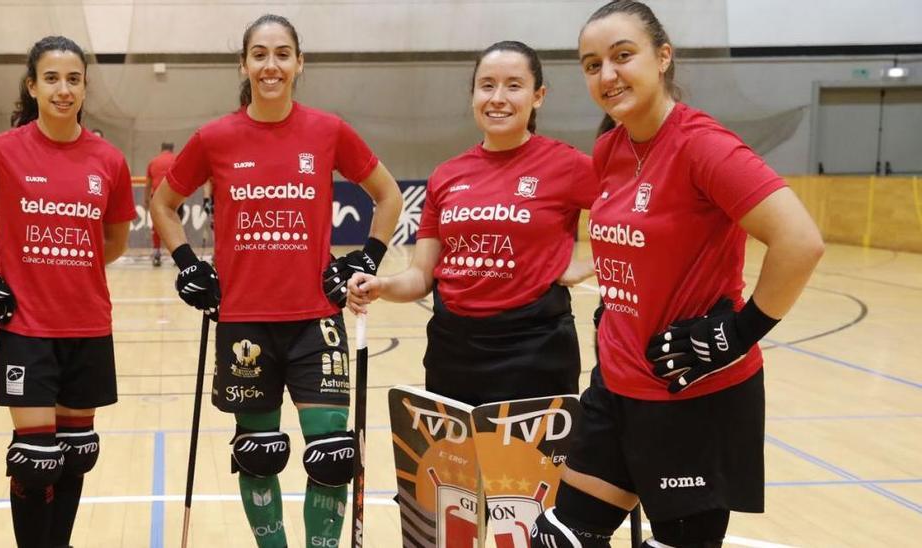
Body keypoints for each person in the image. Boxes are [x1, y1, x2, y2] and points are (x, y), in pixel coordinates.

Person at [530, 2, 825, 547]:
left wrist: (739, 333)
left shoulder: (703, 146)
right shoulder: (610, 149)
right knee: (559, 537)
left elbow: (800, 241)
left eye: (623, 56)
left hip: (693, 394)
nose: (608, 75)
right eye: (592, 64)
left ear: (663, 57)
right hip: (616, 385)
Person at [150, 14, 403, 548]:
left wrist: (367, 259)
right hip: (244, 323)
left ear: (299, 63)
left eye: (283, 53)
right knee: (258, 453)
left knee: (333, 457)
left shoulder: (328, 130)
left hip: (316, 319)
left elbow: (388, 195)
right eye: (260, 54)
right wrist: (189, 265)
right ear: (244, 64)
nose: (272, 65)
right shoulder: (215, 137)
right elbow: (164, 204)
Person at [0, 35, 135, 548]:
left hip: (88, 325)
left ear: (84, 87)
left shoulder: (108, 160)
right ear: (32, 86)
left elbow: (113, 241)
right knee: (35, 460)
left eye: (74, 79)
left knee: (75, 455)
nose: (63, 89)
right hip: (26, 327)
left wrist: (68, 265)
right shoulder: (3, 151)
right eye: (51, 78)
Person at [347, 41, 598, 407]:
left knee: (529, 467)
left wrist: (593, 265)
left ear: (538, 95)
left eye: (514, 85)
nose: (498, 97)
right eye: (487, 85)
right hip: (453, 352)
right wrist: (383, 285)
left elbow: (634, 217)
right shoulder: (446, 175)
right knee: (453, 465)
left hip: (535, 351)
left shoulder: (568, 166)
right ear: (473, 95)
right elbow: (421, 275)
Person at [146, 142, 177, 266]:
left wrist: (146, 200)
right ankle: (178, 255)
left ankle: (157, 252)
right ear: (172, 149)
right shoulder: (177, 159)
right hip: (174, 196)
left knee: (157, 226)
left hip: (157, 197)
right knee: (175, 225)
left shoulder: (153, 161)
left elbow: (148, 184)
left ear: (161, 148)